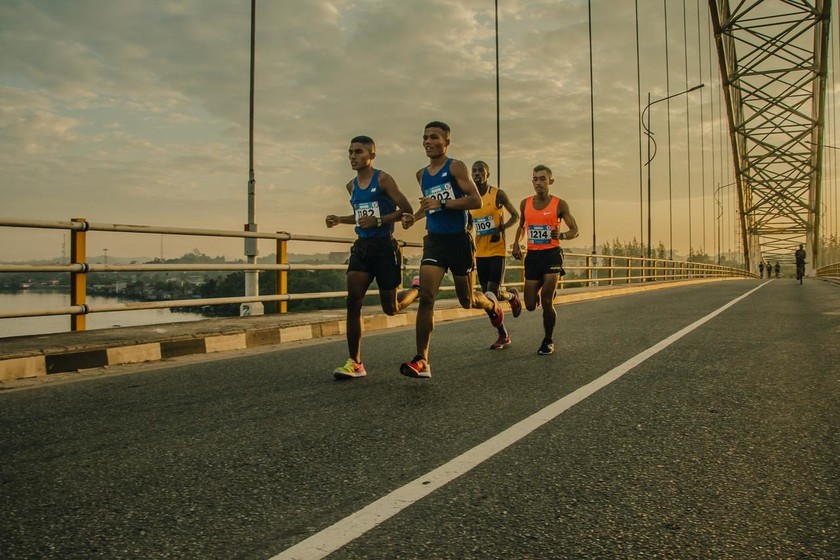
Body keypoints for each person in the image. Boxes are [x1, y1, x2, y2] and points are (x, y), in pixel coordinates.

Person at [399, 121, 505, 378]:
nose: (427, 141)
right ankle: (422, 359)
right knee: (427, 298)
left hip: (459, 241)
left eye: (434, 137)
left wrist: (443, 203)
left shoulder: (455, 166)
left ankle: (492, 305)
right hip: (435, 241)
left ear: (446, 142)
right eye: (424, 137)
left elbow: (475, 200)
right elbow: (429, 205)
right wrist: (413, 217)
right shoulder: (421, 175)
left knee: (467, 301)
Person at [326, 135, 419, 379]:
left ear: (371, 155)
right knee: (353, 302)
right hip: (362, 249)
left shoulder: (383, 179)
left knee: (391, 308)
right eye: (350, 152)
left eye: (358, 152)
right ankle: (355, 363)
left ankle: (416, 290)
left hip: (385, 248)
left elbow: (406, 210)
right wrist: (340, 219)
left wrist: (379, 220)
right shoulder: (352, 186)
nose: (353, 157)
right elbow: (359, 216)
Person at [511, 164, 580, 355]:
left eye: (542, 179)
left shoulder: (559, 204)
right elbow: (522, 226)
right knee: (531, 305)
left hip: (552, 254)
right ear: (532, 181)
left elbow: (575, 230)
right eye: (535, 179)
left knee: (547, 300)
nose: (539, 183)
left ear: (550, 181)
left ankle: (548, 340)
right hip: (533, 256)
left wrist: (563, 235)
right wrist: (516, 242)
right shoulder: (525, 203)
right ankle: (537, 293)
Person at [469, 160, 522, 350]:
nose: (477, 174)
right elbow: (469, 222)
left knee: (491, 294)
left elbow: (516, 215)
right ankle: (511, 297)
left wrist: (502, 228)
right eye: (474, 171)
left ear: (487, 175)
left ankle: (503, 335)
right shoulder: (470, 197)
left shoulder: (497, 194)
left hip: (497, 250)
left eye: (480, 171)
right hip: (480, 252)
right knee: (489, 298)